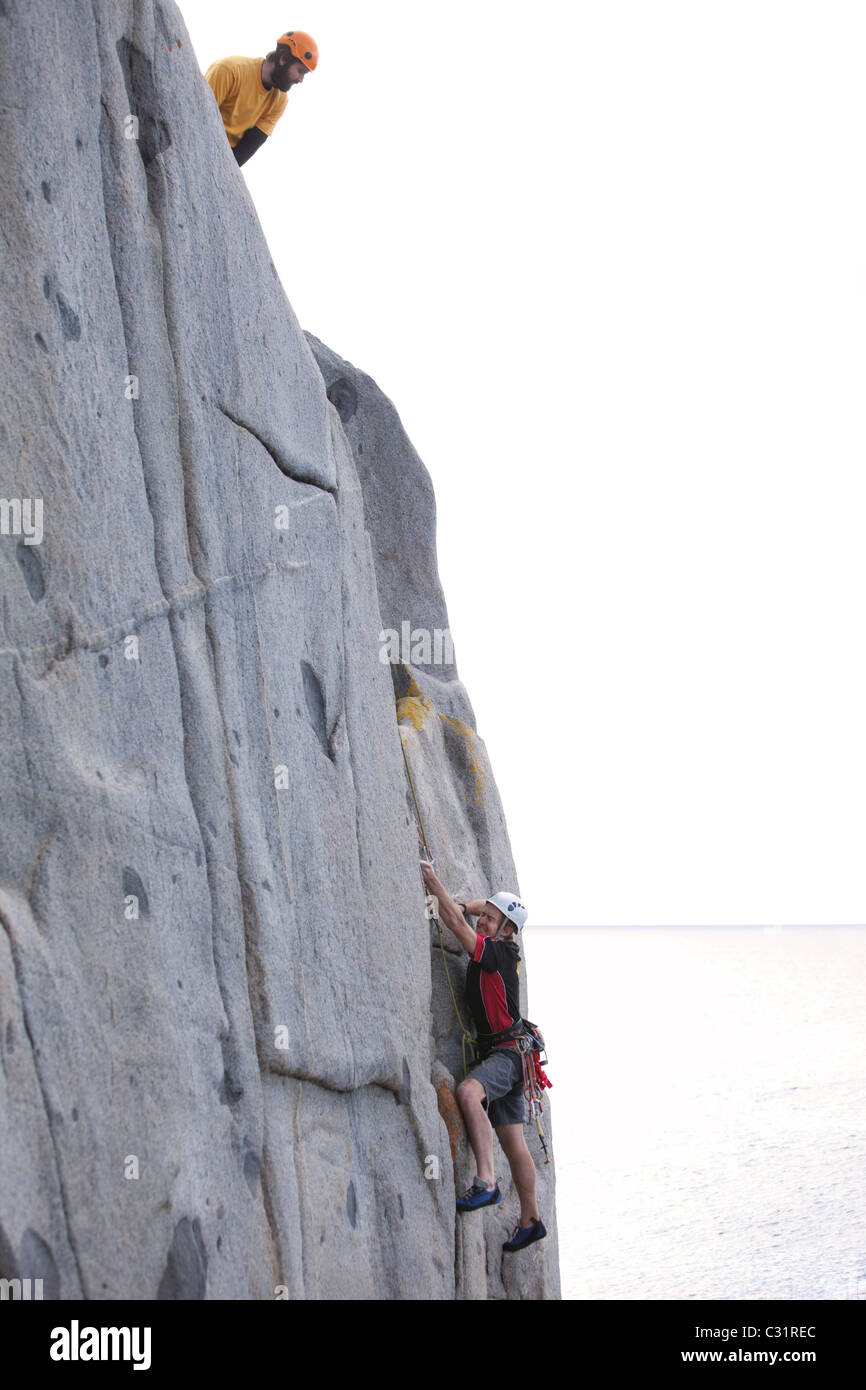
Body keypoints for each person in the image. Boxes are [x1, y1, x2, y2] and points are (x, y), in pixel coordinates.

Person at [420, 861, 547, 1253]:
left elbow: (457, 925)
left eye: (492, 920)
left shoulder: (498, 953)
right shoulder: (500, 945)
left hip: (506, 1056)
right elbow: (466, 914)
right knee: (513, 1140)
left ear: (508, 931)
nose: (482, 922)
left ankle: (486, 1183)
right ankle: (531, 1220)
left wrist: (433, 882)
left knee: (469, 1092)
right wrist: (480, 906)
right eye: (484, 916)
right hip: (513, 1055)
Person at [205, 30, 318, 167]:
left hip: (224, 159)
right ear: (283, 59)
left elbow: (249, 146)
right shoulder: (230, 70)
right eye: (300, 71)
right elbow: (198, 114)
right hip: (200, 140)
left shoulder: (280, 101)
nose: (300, 80)